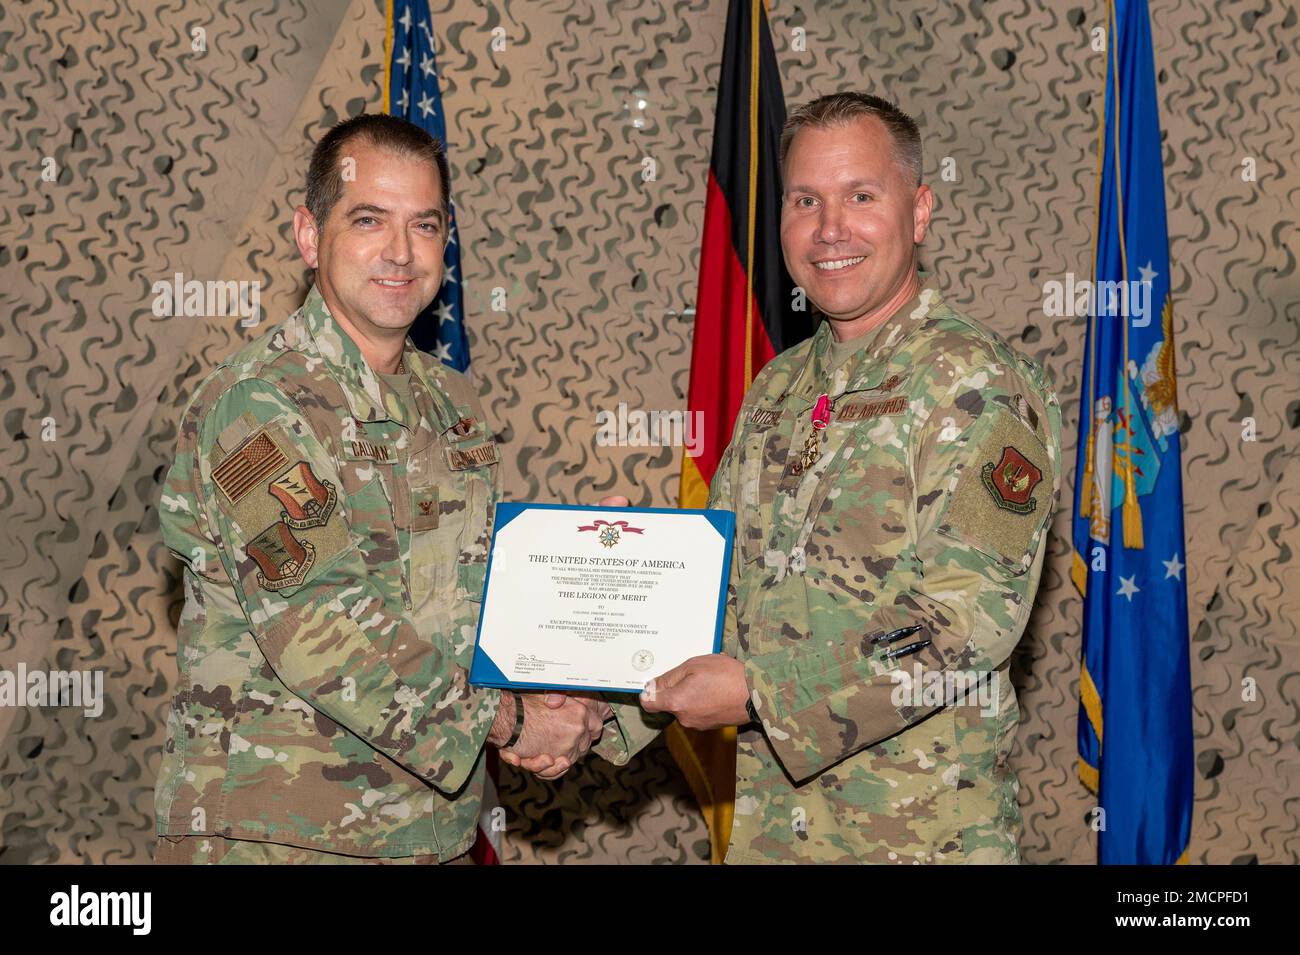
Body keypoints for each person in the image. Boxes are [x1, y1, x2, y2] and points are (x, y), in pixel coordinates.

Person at [153, 114, 658, 864]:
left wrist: (589, 579)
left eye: (424, 224)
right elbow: (325, 626)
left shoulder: (451, 405)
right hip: (279, 834)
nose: (399, 251)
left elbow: (470, 599)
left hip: (425, 830)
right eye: (368, 220)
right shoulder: (259, 405)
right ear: (307, 234)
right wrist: (513, 723)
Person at [643, 92, 1063, 863]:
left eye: (860, 197)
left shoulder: (982, 386)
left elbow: (963, 622)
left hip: (918, 838)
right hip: (774, 833)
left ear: (919, 210)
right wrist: (596, 687)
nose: (830, 228)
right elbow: (718, 590)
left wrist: (759, 694)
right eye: (806, 200)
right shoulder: (776, 390)